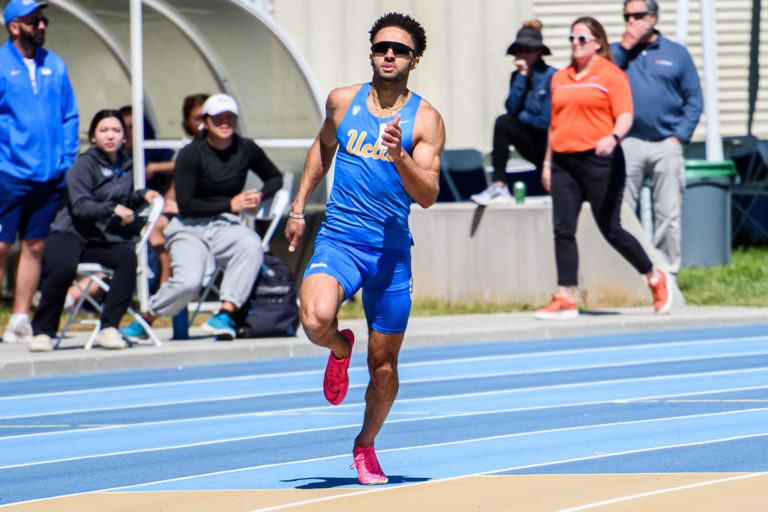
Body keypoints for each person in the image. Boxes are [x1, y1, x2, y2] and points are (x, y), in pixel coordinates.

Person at [284, 12, 445, 485]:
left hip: (391, 251)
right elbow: (322, 147)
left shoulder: (427, 120)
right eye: (381, 47)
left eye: (398, 49)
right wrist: (298, 207)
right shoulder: (341, 101)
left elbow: (429, 195)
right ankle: (339, 348)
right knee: (314, 319)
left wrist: (398, 156)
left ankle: (365, 446)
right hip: (341, 237)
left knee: (383, 367)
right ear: (372, 53)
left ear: (414, 59)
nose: (389, 54)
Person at [535, 16, 671, 320]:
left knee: (611, 228)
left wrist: (613, 137)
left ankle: (653, 276)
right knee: (563, 229)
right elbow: (554, 125)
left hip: (601, 159)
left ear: (597, 43)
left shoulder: (611, 75)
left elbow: (625, 115)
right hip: (564, 162)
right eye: (571, 38)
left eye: (581, 38)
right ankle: (566, 295)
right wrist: (547, 162)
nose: (575, 44)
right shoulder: (560, 78)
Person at [122, 93, 283, 341]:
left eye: (230, 117)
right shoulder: (190, 153)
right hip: (188, 227)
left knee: (251, 244)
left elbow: (275, 178)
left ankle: (225, 313)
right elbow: (185, 205)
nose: (225, 122)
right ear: (205, 122)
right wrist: (231, 203)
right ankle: (147, 319)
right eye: (218, 118)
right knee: (189, 281)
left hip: (226, 225)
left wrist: (259, 196)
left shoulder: (246, 148)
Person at [28, 110, 160, 352]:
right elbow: (80, 206)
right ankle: (43, 331)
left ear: (124, 136)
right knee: (64, 268)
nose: (110, 136)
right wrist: (112, 209)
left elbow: (122, 200)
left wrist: (141, 195)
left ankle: (108, 327)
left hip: (99, 238)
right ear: (93, 136)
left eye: (117, 131)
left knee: (127, 259)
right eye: (104, 130)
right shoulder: (84, 164)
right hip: (69, 234)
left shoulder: (128, 164)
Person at [0, 0, 79, 344]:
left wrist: (66, 157)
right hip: (8, 174)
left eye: (44, 19)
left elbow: (70, 115)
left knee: (34, 246)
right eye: (35, 20)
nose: (43, 25)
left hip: (49, 176)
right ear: (15, 26)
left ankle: (19, 319)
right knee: (1, 247)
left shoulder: (55, 65)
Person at [612, 0, 703, 276]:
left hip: (667, 142)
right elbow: (602, 80)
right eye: (626, 17)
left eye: (637, 16)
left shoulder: (676, 54)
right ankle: (630, 271)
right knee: (622, 210)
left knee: (668, 212)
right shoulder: (616, 53)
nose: (631, 22)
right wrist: (626, 47)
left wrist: (679, 138)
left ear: (653, 17)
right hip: (628, 143)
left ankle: (667, 272)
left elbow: (694, 99)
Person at [471, 20, 556, 206]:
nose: (524, 55)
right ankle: (499, 185)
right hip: (531, 143)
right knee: (503, 122)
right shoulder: (517, 77)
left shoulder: (553, 77)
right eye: (520, 51)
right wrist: (523, 78)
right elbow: (511, 109)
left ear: (539, 52)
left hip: (552, 149)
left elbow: (547, 120)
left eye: (529, 50)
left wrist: (522, 116)